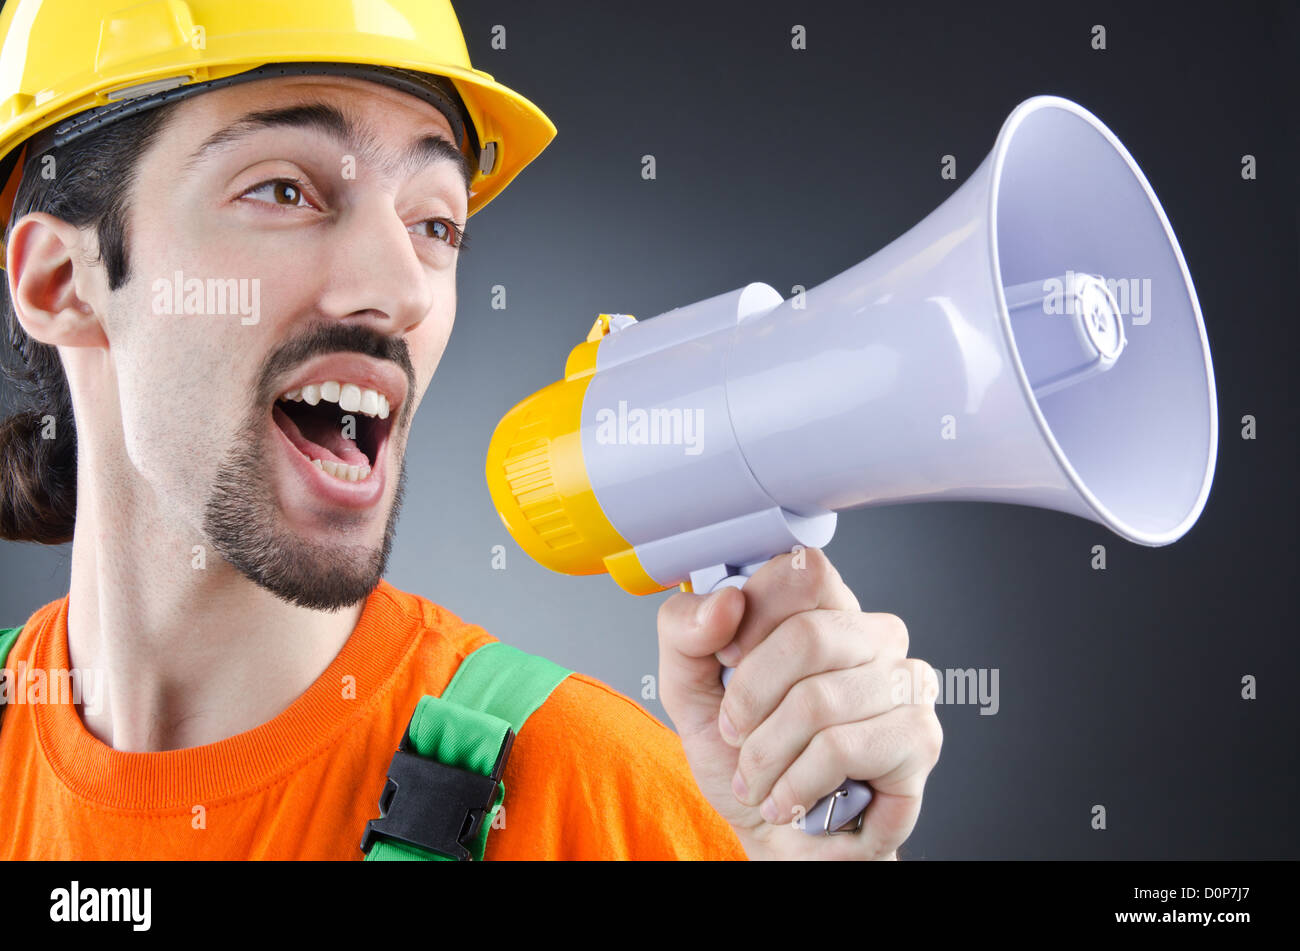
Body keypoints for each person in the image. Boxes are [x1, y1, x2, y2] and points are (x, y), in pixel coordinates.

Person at [0, 0, 941, 860]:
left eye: (437, 224)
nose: (404, 289)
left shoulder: (597, 799)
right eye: (285, 189)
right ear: (61, 280)